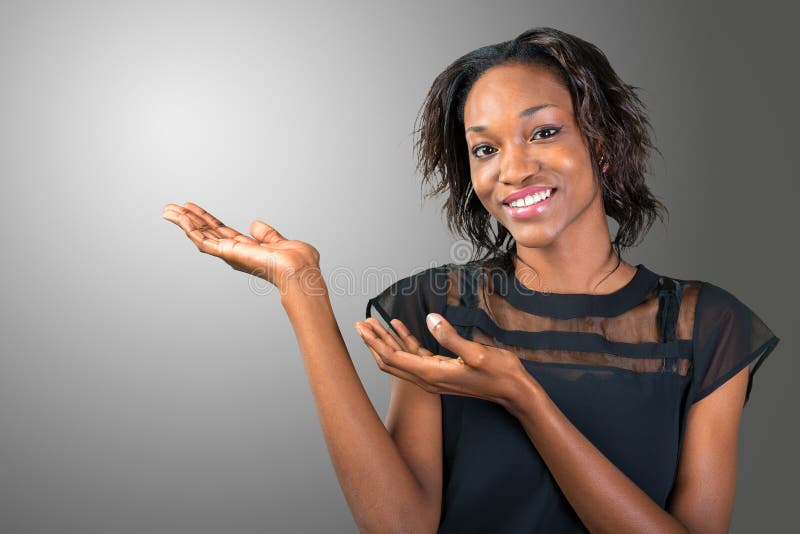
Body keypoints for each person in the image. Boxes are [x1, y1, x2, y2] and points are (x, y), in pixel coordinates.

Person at [162, 27, 780, 533]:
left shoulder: (706, 326)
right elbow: (400, 526)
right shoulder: (436, 307)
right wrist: (301, 288)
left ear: (605, 145)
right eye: (484, 149)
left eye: (544, 132)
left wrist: (525, 399)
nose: (512, 168)